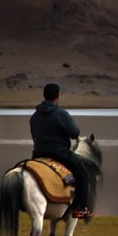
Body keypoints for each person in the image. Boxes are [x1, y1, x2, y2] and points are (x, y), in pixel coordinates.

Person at [30, 82, 93, 220]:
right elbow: (75, 132)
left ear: (44, 96)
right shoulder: (61, 114)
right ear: (57, 96)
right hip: (59, 154)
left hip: (38, 155)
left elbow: (34, 136)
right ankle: (80, 209)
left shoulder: (34, 116)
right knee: (82, 172)